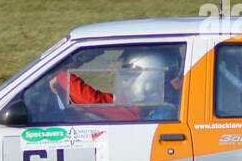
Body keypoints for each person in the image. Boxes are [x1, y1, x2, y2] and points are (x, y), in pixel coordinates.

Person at [46, 47, 183, 121]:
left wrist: (60, 76)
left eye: (129, 73)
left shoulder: (143, 110)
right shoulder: (175, 93)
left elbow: (92, 101)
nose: (123, 78)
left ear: (149, 76)